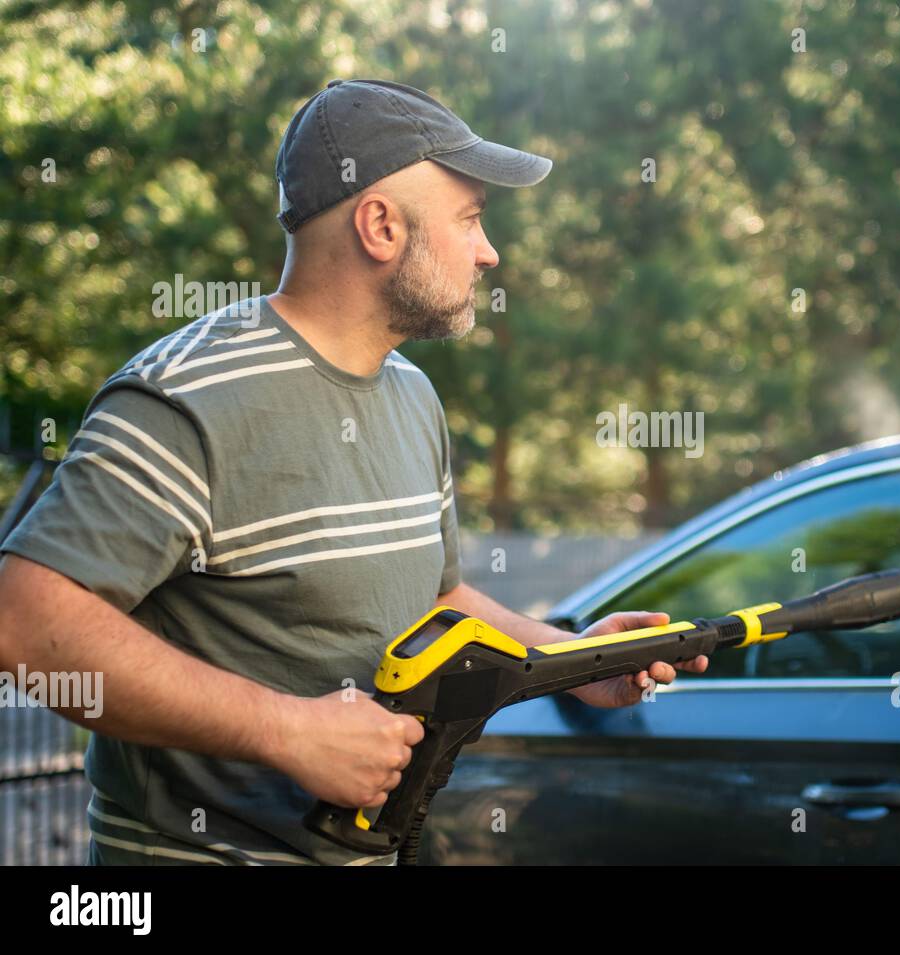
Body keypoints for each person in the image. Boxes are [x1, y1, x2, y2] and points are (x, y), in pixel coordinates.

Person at [0, 79, 707, 865]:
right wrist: (286, 730)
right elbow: (25, 620)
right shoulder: (187, 397)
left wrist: (571, 659)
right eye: (471, 219)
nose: (488, 249)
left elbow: (435, 600)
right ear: (379, 225)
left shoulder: (412, 393)